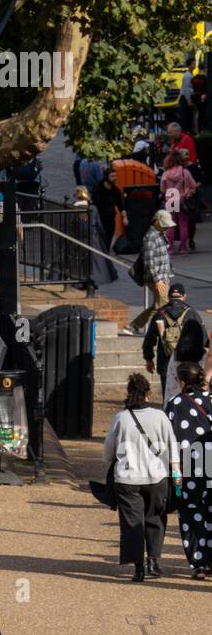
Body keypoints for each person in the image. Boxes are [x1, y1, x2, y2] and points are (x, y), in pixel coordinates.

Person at [102, 373, 180, 581]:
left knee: (131, 522)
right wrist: (176, 475)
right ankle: (153, 560)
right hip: (157, 477)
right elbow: (173, 446)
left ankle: (137, 567)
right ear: (147, 393)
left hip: (128, 479)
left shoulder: (121, 418)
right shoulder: (160, 416)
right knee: (155, 518)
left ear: (129, 393)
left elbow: (108, 453)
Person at [165, 361, 212, 577]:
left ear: (182, 381)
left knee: (190, 513)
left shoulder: (174, 404)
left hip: (185, 467)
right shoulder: (210, 400)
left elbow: (167, 437)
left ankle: (198, 562)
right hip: (210, 464)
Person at [123, 211, 175, 336]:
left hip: (164, 276)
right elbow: (149, 261)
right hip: (156, 278)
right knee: (163, 305)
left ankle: (133, 326)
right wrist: (157, 280)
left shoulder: (160, 234)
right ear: (157, 221)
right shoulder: (150, 237)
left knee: (158, 305)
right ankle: (164, 329)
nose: (167, 227)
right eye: (164, 224)